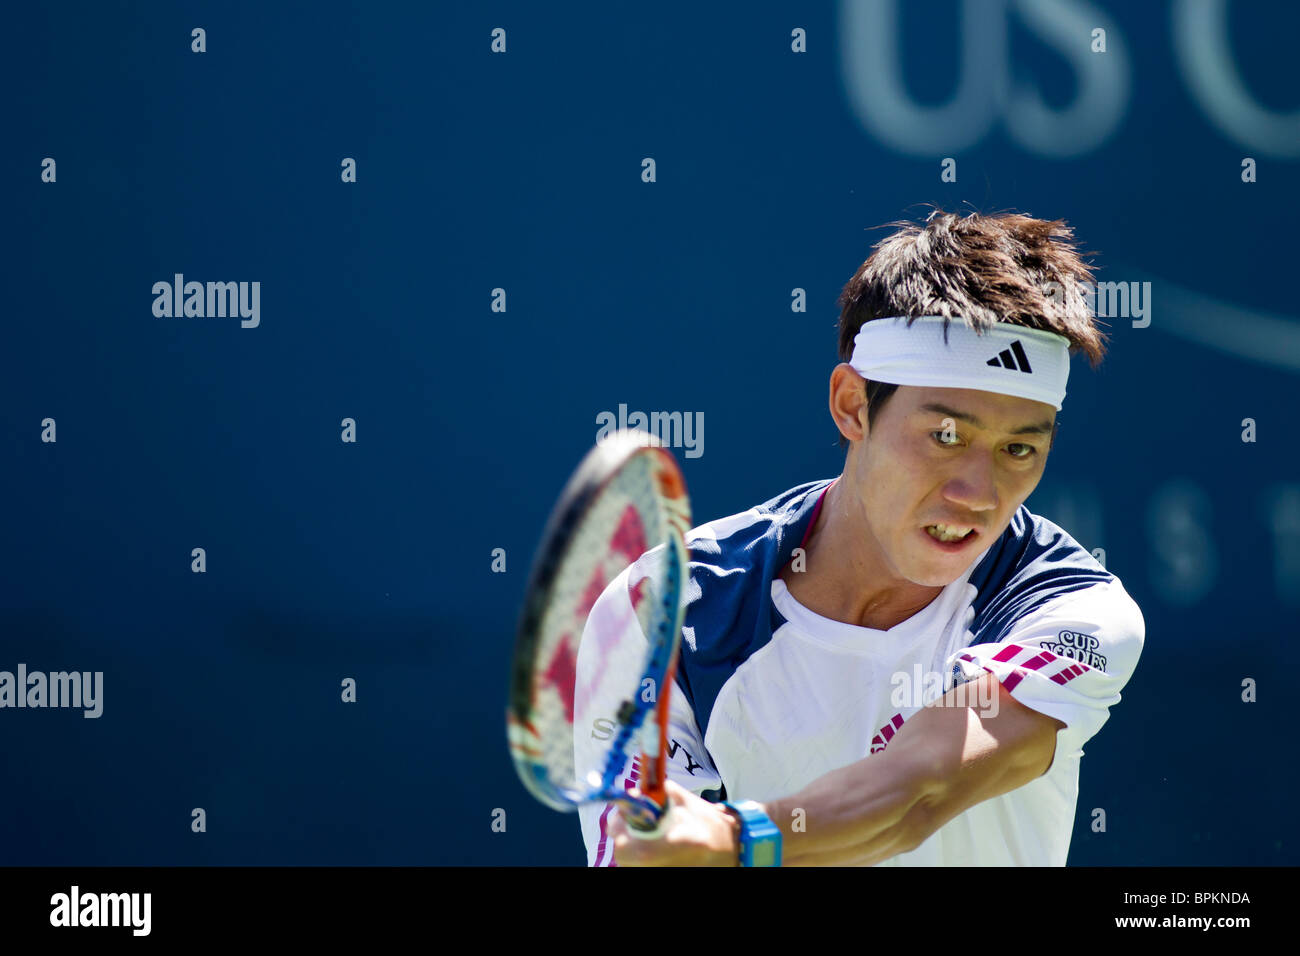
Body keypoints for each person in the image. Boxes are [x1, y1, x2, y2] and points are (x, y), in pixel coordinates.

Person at [575, 209, 1145, 866]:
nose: (978, 493)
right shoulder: (661, 612)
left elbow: (919, 792)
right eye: (946, 437)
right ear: (852, 406)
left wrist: (735, 840)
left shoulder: (1073, 611)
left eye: (1019, 449)